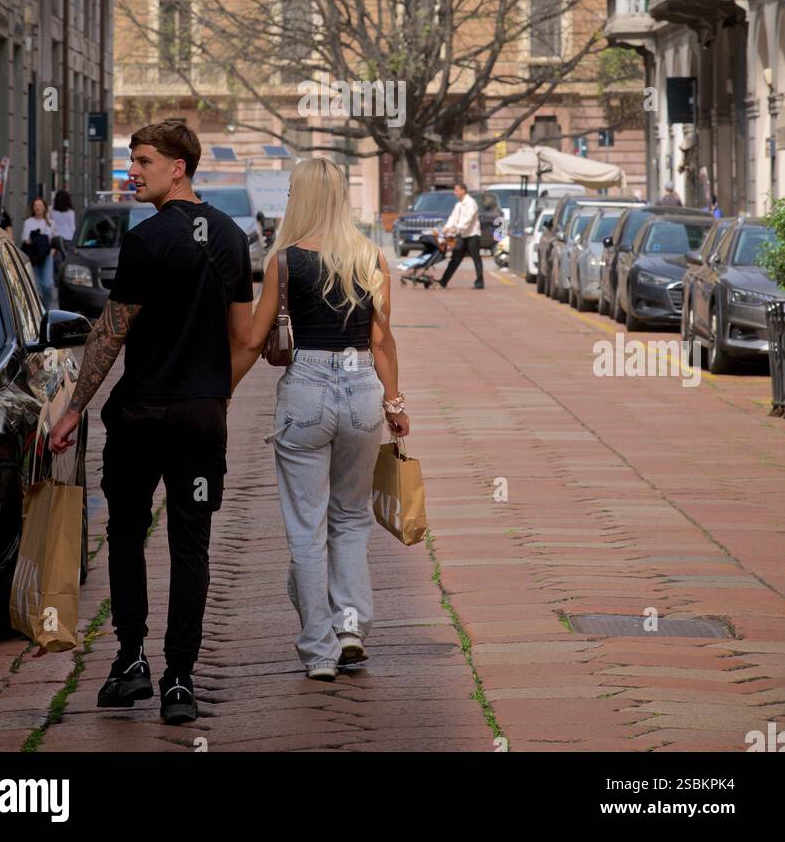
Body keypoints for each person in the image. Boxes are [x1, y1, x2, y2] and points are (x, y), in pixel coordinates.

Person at [48, 118, 253, 725]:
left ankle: (131, 659)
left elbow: (110, 334)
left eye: (141, 161)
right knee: (192, 547)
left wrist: (73, 407)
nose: (130, 171)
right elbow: (244, 338)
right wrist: (215, 395)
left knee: (128, 537)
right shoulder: (232, 239)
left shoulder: (144, 240)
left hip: (139, 416)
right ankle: (181, 681)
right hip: (198, 419)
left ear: (177, 167)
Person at [230, 158, 408, 681]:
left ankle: (319, 650)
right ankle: (350, 628)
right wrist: (395, 406)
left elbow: (254, 338)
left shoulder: (284, 262)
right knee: (351, 519)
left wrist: (222, 392)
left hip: (307, 387)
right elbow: (381, 340)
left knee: (307, 528)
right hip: (362, 390)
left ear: (302, 197)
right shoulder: (372, 256)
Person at [437, 181, 484, 289]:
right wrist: (446, 228)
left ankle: (480, 282)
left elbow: (467, 220)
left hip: (472, 235)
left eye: (457, 190)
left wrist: (456, 228)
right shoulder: (458, 205)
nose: (455, 193)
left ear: (463, 190)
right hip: (461, 236)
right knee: (455, 259)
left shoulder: (471, 203)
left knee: (476, 258)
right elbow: (453, 218)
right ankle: (444, 281)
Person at [21, 198, 55, 307]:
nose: (38, 207)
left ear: (44, 207)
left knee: (47, 284)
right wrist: (38, 239)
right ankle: (40, 309)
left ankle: (48, 307)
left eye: (40, 205)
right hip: (34, 256)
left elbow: (54, 240)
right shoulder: (28, 222)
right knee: (36, 285)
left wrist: (52, 251)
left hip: (47, 256)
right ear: (32, 208)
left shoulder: (51, 223)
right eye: (35, 205)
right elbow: (25, 239)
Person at [50, 189, 77, 283]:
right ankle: (66, 279)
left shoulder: (52, 212)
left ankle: (57, 279)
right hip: (68, 239)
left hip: (57, 239)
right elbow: (72, 227)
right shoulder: (70, 212)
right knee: (67, 260)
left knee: (57, 261)